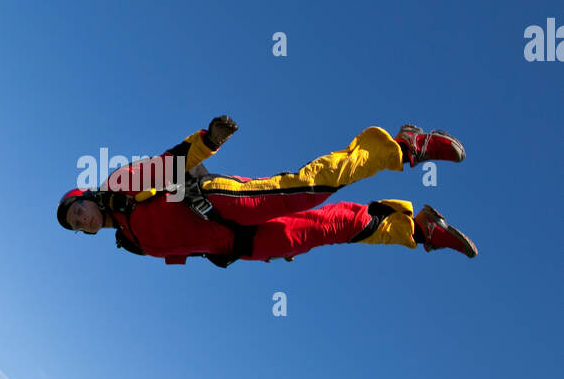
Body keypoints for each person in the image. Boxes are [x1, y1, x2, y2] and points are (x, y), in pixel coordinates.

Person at [56, 118, 477, 267]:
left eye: (77, 212)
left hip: (215, 201)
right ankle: (418, 230)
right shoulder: (129, 242)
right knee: (325, 228)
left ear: (85, 197)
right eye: (77, 226)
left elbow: (166, 166)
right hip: (239, 243)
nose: (82, 221)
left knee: (307, 189)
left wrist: (206, 141)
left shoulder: (117, 189)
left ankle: (404, 146)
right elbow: (183, 244)